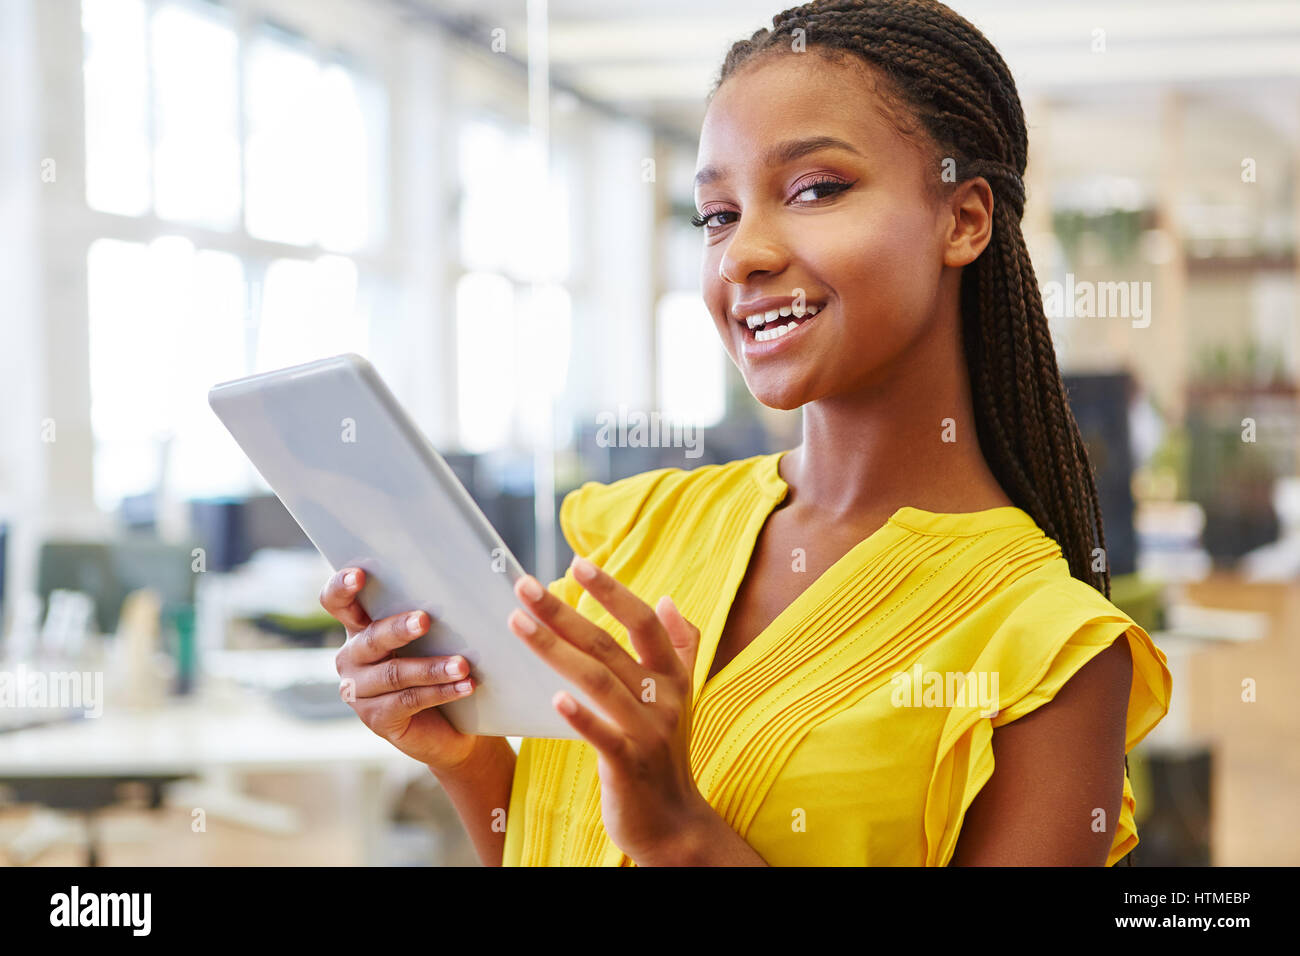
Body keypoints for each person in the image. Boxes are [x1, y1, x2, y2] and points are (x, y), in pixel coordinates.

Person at [324, 0, 1171, 866]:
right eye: (717, 215)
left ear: (963, 220)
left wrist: (685, 838)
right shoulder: (639, 532)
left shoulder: (1048, 652)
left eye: (814, 190)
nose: (741, 255)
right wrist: (466, 758)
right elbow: (550, 843)